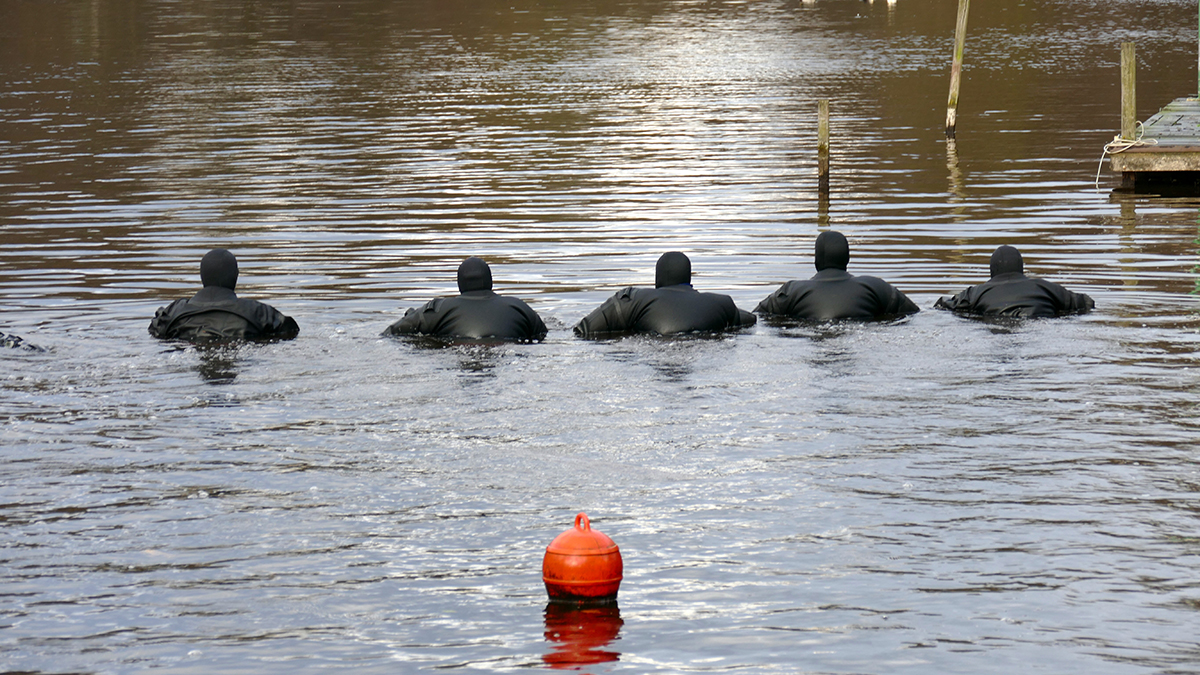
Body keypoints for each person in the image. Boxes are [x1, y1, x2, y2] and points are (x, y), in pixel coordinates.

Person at [573, 252, 756, 337]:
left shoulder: (632, 299)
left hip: (656, 348)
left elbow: (583, 330)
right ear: (689, 278)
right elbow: (753, 319)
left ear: (657, 280)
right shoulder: (722, 304)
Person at [755, 230, 919, 321]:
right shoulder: (876, 287)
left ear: (816, 260)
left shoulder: (792, 291)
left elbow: (757, 317)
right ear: (847, 258)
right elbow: (914, 313)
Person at [148, 248, 299, 341]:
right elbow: (290, 332)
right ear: (236, 276)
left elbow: (154, 332)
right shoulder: (259, 312)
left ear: (202, 277)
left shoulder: (173, 312)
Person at [384, 257, 547, 341]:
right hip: (506, 353)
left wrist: (411, 314)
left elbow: (392, 332)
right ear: (491, 282)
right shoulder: (519, 307)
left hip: (460, 350)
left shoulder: (438, 309)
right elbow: (543, 335)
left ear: (460, 284)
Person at [934, 245, 1095, 318]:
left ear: (992, 270)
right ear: (1021, 267)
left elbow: (942, 305)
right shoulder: (1046, 288)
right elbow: (1087, 302)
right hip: (1039, 326)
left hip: (997, 324)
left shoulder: (975, 293)